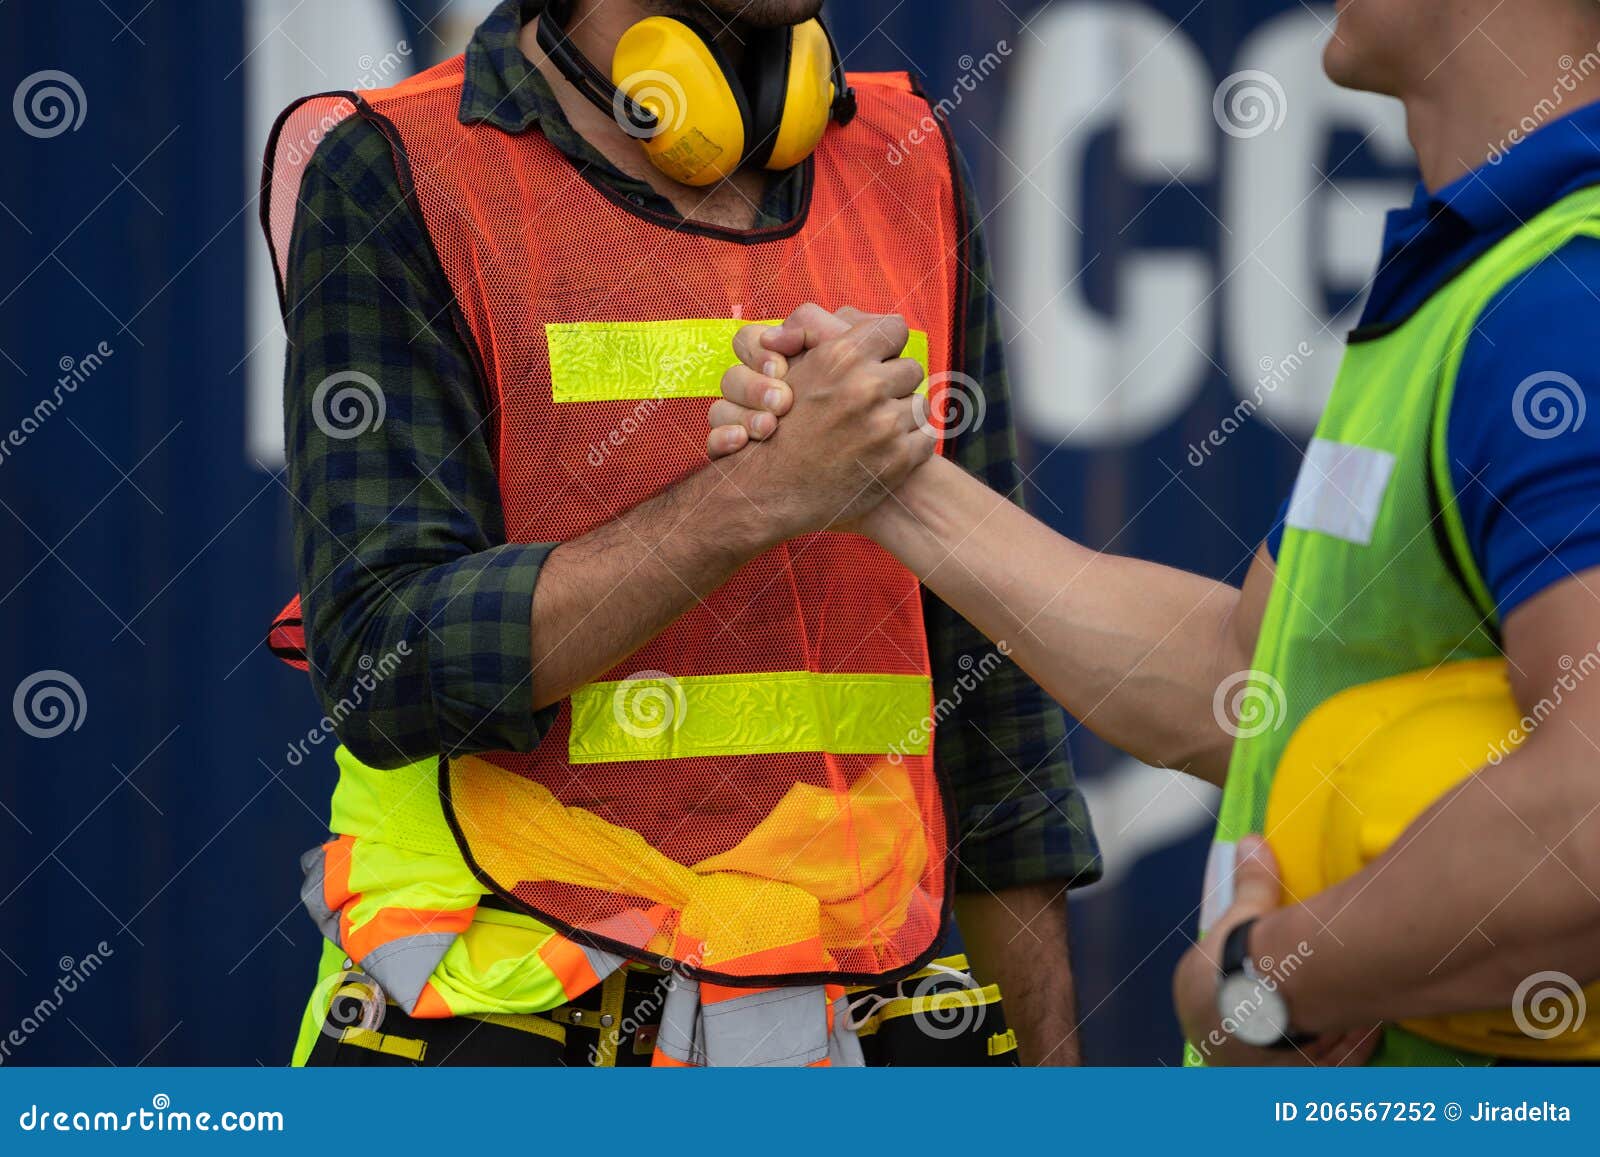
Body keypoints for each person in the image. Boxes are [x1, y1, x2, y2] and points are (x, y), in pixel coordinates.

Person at [708, 0, 1600, 1064]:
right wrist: (880, 477)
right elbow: (1240, 678)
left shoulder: (1563, 303)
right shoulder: (1486, 275)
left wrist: (1267, 979)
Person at [264, 0, 1100, 1067]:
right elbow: (383, 665)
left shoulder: (907, 156)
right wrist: (755, 499)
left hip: (862, 1029)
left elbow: (992, 690)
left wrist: (1056, 1088)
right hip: (499, 1027)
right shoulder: (394, 166)